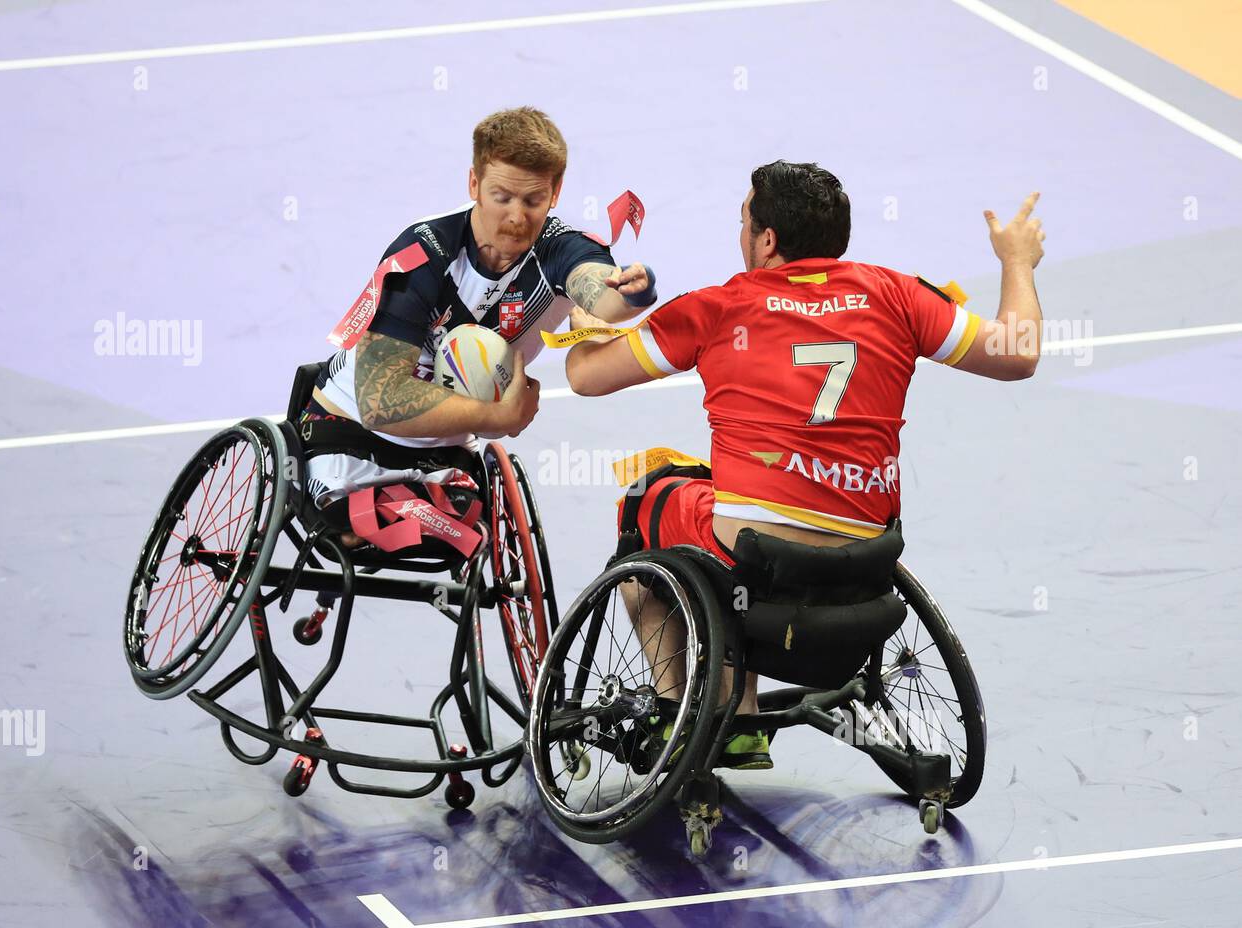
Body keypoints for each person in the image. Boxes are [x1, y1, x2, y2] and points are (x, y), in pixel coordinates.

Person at [562, 160, 1044, 767]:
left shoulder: (715, 309)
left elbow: (585, 377)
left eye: (744, 221)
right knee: (732, 498)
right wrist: (1017, 261)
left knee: (645, 499)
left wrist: (588, 321)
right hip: (865, 560)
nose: (741, 233)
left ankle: (678, 712)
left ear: (766, 240)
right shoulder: (899, 295)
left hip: (754, 557)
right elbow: (1019, 352)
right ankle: (739, 709)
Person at [300, 106, 659, 553]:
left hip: (442, 460)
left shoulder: (559, 248)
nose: (516, 216)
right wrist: (497, 418)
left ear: (555, 194)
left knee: (471, 535)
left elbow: (601, 294)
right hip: (351, 438)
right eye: (501, 196)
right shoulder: (424, 252)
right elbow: (381, 401)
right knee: (363, 525)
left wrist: (633, 293)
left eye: (532, 201)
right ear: (474, 184)